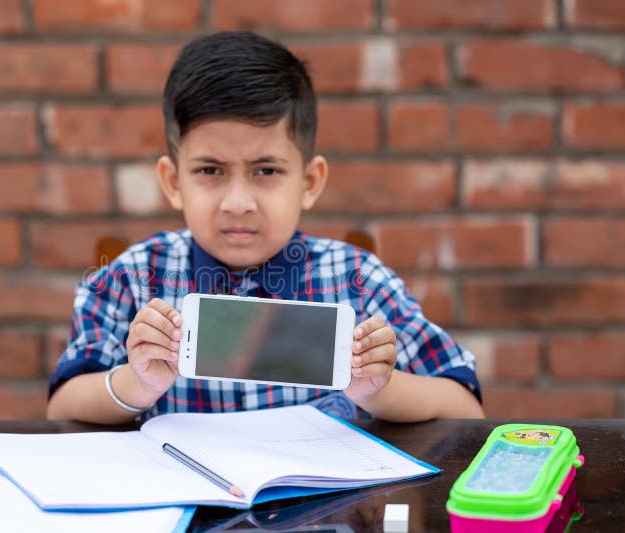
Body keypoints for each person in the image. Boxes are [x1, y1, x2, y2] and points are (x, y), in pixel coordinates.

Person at [47, 31, 484, 424]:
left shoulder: (359, 281)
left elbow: (465, 407)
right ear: (173, 183)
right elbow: (62, 406)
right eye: (210, 170)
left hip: (324, 510)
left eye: (266, 171)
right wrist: (135, 385)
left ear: (308, 183)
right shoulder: (131, 280)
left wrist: (380, 391)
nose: (239, 204)